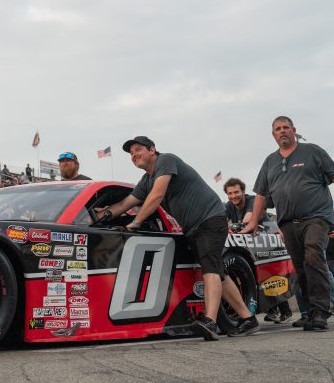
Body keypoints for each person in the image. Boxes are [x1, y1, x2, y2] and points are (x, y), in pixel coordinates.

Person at [95, 136, 257, 340]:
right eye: (131, 154)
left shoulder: (166, 160)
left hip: (210, 218)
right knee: (218, 272)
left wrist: (135, 223)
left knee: (210, 268)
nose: (134, 155)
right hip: (192, 227)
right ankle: (248, 318)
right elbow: (125, 203)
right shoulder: (146, 181)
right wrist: (100, 215)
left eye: (138, 150)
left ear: (152, 150)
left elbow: (157, 196)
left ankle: (210, 322)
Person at [244, 116, 334, 332]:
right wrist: (252, 222)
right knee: (301, 268)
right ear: (273, 134)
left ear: (294, 130)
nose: (282, 131)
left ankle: (319, 313)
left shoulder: (313, 151)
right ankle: (313, 310)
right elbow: (260, 194)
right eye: (278, 129)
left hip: (316, 217)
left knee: (314, 257)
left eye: (286, 127)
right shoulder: (269, 161)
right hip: (288, 223)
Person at [222, 177, 292, 324]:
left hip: (268, 237)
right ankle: (275, 310)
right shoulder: (229, 206)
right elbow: (222, 221)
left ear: (243, 191)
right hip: (252, 240)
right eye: (230, 193)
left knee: (271, 273)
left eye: (236, 192)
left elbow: (248, 220)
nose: (233, 196)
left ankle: (284, 310)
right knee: (261, 275)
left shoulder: (252, 200)